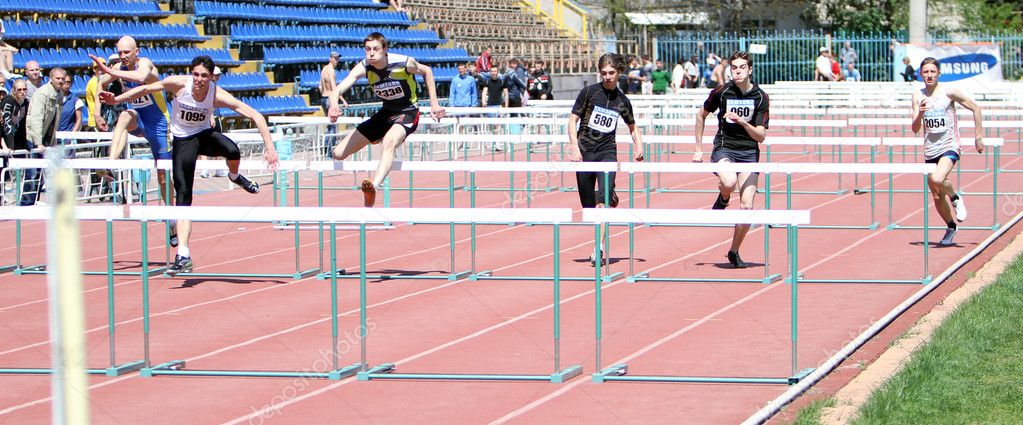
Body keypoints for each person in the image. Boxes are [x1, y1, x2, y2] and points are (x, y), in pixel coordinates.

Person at [100, 55, 280, 275]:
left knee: (233, 151)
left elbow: (254, 114)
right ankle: (183, 254)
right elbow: (145, 89)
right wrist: (117, 100)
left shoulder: (215, 93)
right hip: (183, 141)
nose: (199, 80)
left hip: (203, 135)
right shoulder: (178, 84)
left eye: (204, 76)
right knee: (184, 195)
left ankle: (234, 176)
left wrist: (269, 147)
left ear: (211, 78)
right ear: (191, 74)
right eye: (195, 74)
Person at [327, 32, 444, 207]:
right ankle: (378, 136)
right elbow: (337, 90)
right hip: (385, 113)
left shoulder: (402, 63)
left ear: (385, 50)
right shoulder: (364, 67)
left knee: (389, 142)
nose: (371, 53)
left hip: (408, 112)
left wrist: (434, 104)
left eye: (375, 49)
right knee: (338, 153)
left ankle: (373, 187)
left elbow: (427, 71)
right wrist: (334, 105)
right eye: (367, 49)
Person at [693, 51, 770, 269]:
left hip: (749, 153)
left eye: (742, 67)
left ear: (750, 70)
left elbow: (761, 137)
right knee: (728, 182)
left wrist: (743, 122)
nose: (737, 71)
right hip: (724, 148)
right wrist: (698, 149)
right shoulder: (721, 91)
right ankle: (724, 197)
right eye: (734, 67)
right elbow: (701, 115)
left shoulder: (760, 97)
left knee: (747, 206)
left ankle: (734, 250)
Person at [566, 53, 644, 266]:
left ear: (619, 73)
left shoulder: (622, 100)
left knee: (602, 206)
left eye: (611, 73)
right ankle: (609, 195)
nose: (608, 77)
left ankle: (598, 248)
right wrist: (574, 147)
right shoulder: (589, 93)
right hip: (584, 153)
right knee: (589, 209)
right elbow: (572, 120)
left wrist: (639, 146)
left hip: (607, 153)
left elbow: (632, 127)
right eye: (604, 73)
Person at [911, 57, 984, 247]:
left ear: (938, 74)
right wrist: (920, 112)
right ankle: (951, 226)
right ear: (921, 74)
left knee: (937, 178)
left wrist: (978, 137)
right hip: (930, 150)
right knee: (936, 195)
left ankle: (956, 197)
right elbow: (914, 128)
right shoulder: (917, 96)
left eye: (932, 71)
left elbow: (976, 108)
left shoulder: (949, 92)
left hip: (950, 145)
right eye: (925, 72)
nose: (929, 75)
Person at [22, 68, 67, 205]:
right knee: (33, 172)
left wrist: (51, 140)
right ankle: (25, 204)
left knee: (42, 172)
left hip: (46, 137)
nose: (60, 81)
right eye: (57, 78)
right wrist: (38, 142)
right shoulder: (43, 93)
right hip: (33, 137)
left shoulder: (59, 93)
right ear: (50, 78)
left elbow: (55, 119)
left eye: (62, 79)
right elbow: (36, 118)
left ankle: (33, 201)